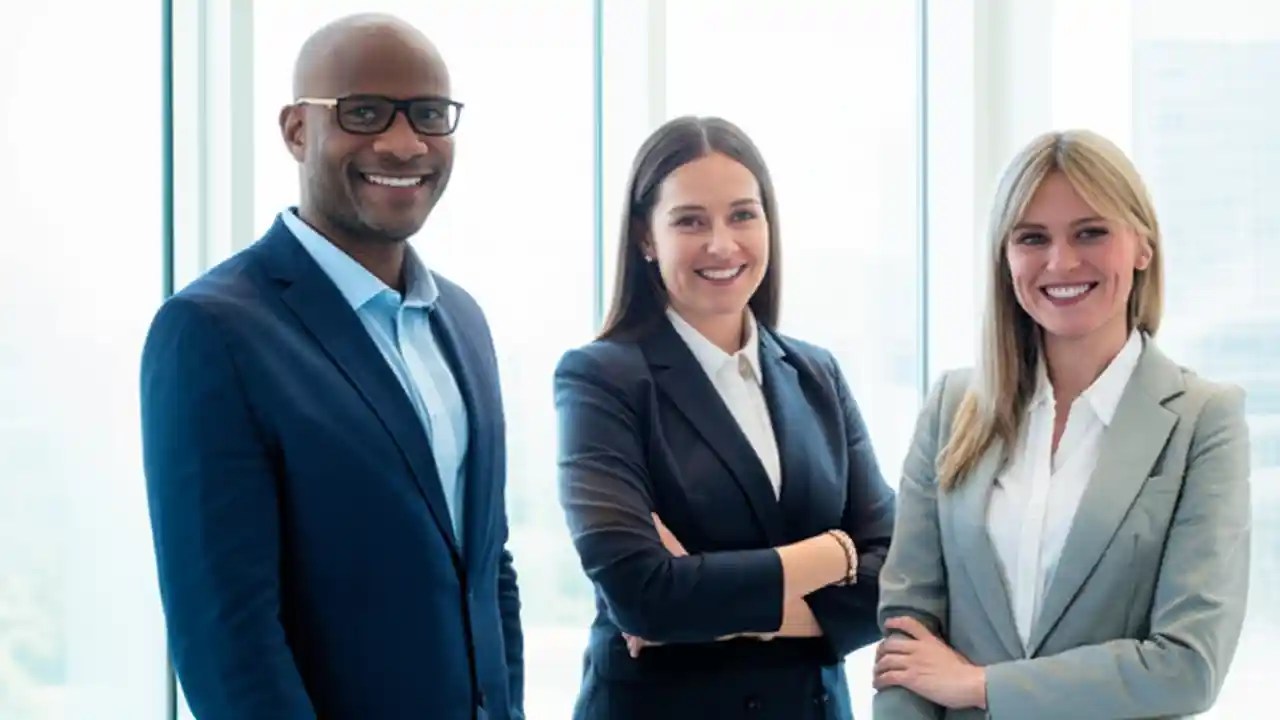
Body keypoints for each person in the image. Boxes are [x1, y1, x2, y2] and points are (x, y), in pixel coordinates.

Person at [139, 14, 522, 720]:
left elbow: (488, 570)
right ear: (296, 130)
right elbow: (227, 641)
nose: (404, 143)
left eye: (428, 114)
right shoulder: (212, 331)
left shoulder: (462, 321)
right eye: (364, 113)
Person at [871, 129, 1251, 719]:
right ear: (1005, 258)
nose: (1062, 262)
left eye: (1090, 232)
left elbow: (1187, 667)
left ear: (1142, 246)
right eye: (1033, 238)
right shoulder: (952, 407)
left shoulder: (1203, 421)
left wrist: (984, 686)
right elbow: (907, 641)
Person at [553, 115, 896, 720]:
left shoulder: (817, 374)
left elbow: (895, 578)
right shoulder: (600, 379)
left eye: (742, 215)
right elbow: (643, 595)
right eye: (690, 220)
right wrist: (835, 554)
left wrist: (710, 610)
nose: (721, 244)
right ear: (646, 237)